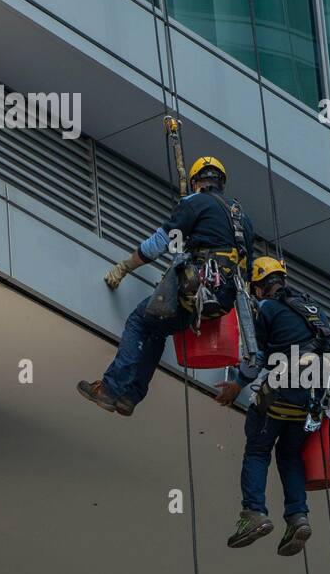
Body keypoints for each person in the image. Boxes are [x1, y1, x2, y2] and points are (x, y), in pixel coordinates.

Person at [77, 156, 254, 416]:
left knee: (139, 321)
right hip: (220, 303)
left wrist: (124, 267)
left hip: (193, 292)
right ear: (221, 183)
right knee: (157, 330)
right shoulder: (243, 219)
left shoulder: (195, 202)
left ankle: (110, 389)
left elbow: (159, 243)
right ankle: (130, 397)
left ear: (196, 182)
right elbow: (247, 273)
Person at [214, 256, 330, 556]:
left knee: (257, 449)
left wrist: (236, 386)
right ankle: (298, 518)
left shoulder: (266, 308)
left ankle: (254, 514)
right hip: (311, 401)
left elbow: (257, 357)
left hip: (282, 394)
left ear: (258, 287)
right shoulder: (314, 311)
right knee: (289, 455)